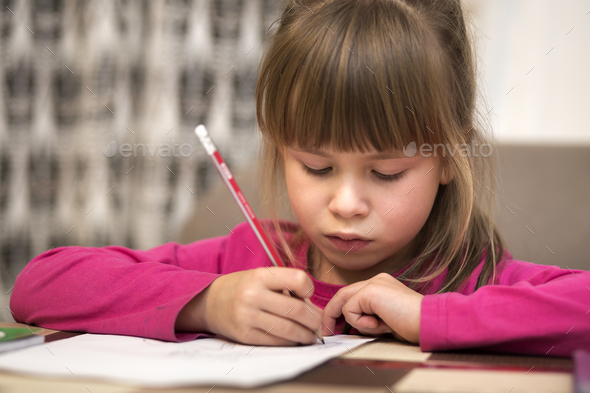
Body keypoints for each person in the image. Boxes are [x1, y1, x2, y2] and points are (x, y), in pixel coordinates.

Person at [11, 0, 590, 357]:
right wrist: (207, 303)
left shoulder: (473, 280)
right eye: (316, 167)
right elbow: (39, 285)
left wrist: (431, 316)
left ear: (448, 156)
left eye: (386, 172)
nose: (346, 203)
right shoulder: (247, 260)